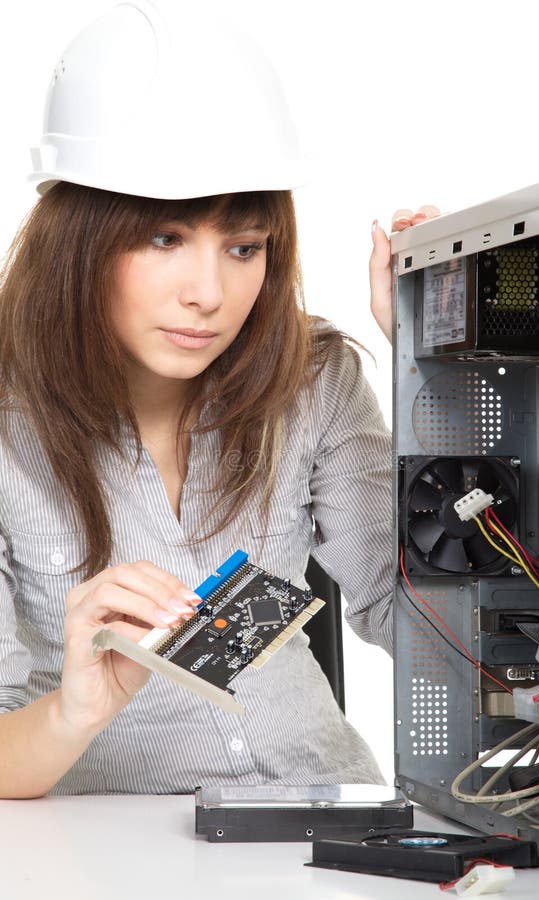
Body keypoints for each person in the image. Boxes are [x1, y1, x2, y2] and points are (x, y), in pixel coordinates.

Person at [0, 0, 436, 798]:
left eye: (243, 247)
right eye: (164, 239)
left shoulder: (314, 380)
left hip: (325, 820)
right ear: (77, 238)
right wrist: (73, 710)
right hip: (105, 851)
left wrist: (437, 368)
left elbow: (421, 621)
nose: (210, 293)